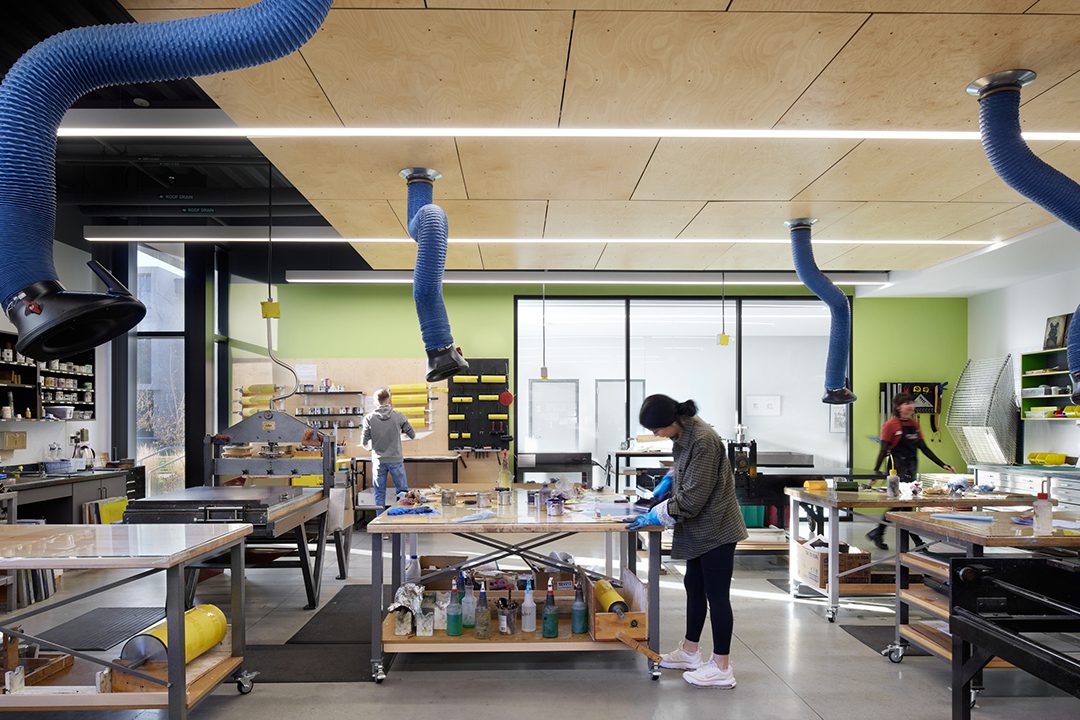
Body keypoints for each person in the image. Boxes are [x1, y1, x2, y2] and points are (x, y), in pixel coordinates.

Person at [625, 394, 748, 689]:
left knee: (717, 596)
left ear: (671, 421)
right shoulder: (685, 433)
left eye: (656, 430)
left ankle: (722, 667)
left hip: (717, 529)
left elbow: (692, 499)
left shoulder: (704, 440)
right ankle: (690, 652)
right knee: (694, 586)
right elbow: (684, 472)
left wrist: (657, 513)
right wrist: (665, 486)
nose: (655, 435)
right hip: (699, 529)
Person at [867, 392, 956, 550]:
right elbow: (882, 451)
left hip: (911, 468)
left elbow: (924, 448)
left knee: (904, 506)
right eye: (906, 403)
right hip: (896, 470)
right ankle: (918, 543)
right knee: (905, 506)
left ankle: (878, 532)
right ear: (898, 407)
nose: (910, 405)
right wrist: (875, 474)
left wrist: (943, 464)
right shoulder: (890, 425)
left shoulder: (914, 425)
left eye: (911, 403)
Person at [362, 388, 416, 508]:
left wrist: (374, 448)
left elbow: (364, 442)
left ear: (375, 402)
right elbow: (412, 435)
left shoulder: (369, 418)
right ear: (389, 400)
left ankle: (379, 523)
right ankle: (401, 520)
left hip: (378, 460)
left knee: (379, 493)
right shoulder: (398, 416)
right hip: (396, 459)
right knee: (402, 493)